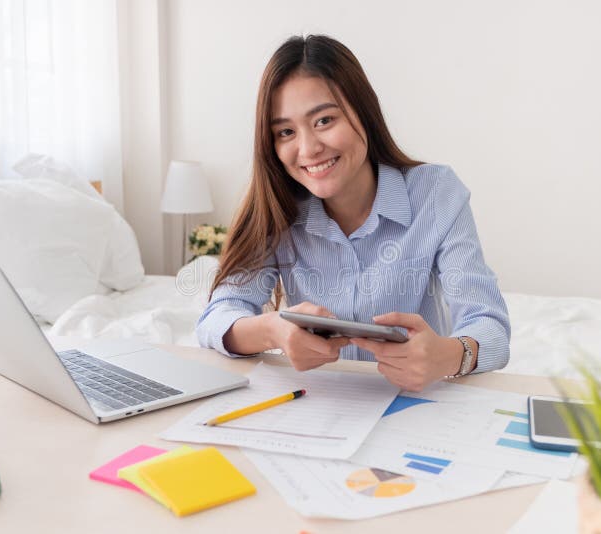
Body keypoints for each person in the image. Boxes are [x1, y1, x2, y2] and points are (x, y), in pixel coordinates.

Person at [196, 34, 510, 392]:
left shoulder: (435, 192)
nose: (309, 149)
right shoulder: (278, 207)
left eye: (324, 120)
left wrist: (450, 354)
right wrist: (274, 330)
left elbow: (490, 325)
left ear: (364, 112)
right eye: (285, 131)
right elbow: (215, 318)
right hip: (318, 406)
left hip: (416, 405)